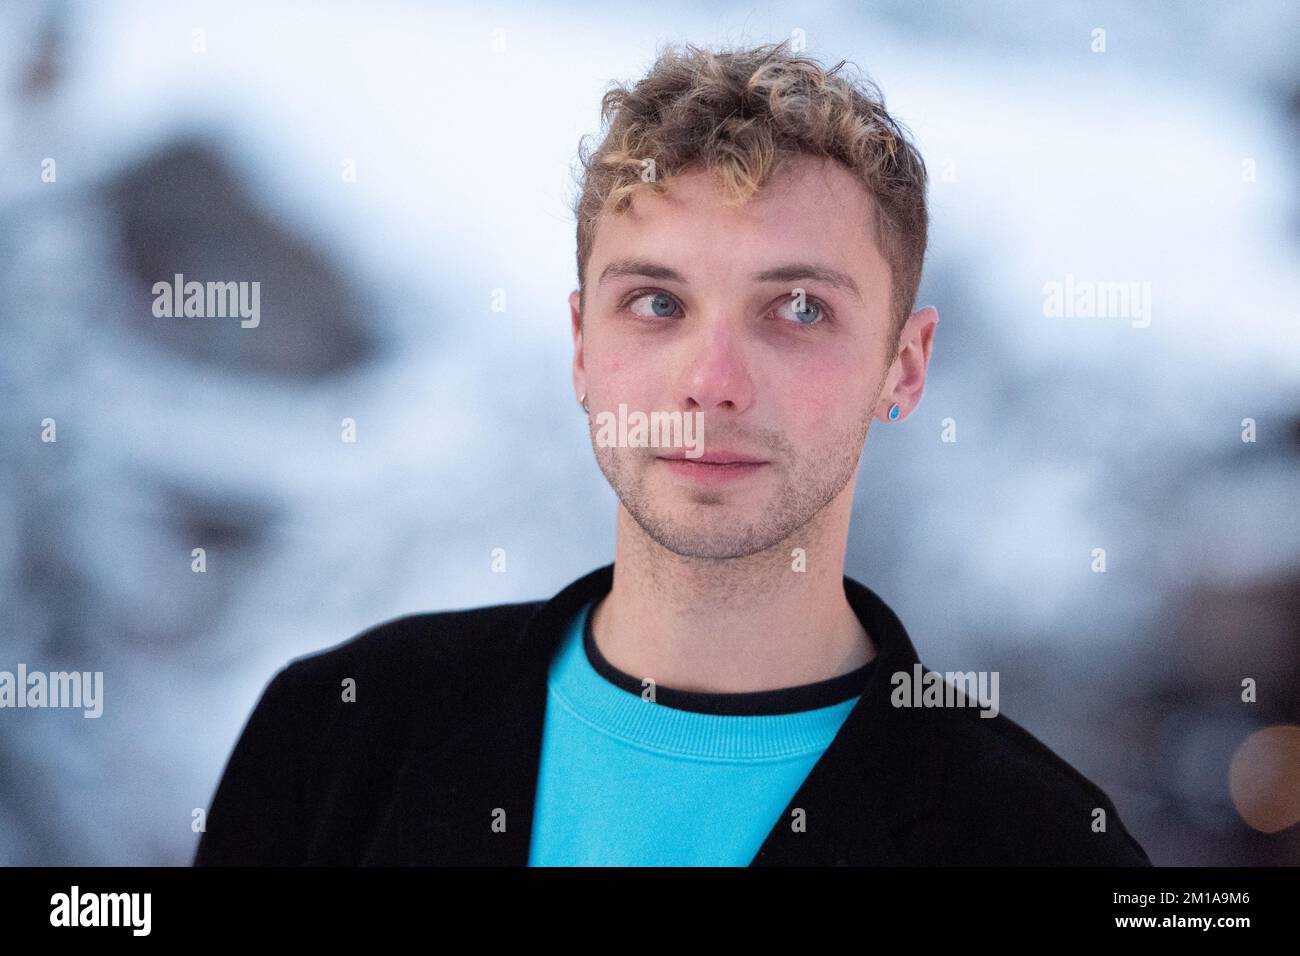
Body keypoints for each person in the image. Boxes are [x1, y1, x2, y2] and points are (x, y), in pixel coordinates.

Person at [194, 39, 1151, 867]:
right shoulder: (333, 734)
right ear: (581, 347)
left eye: (799, 309)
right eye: (658, 303)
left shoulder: (1045, 844)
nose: (713, 381)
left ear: (903, 367)